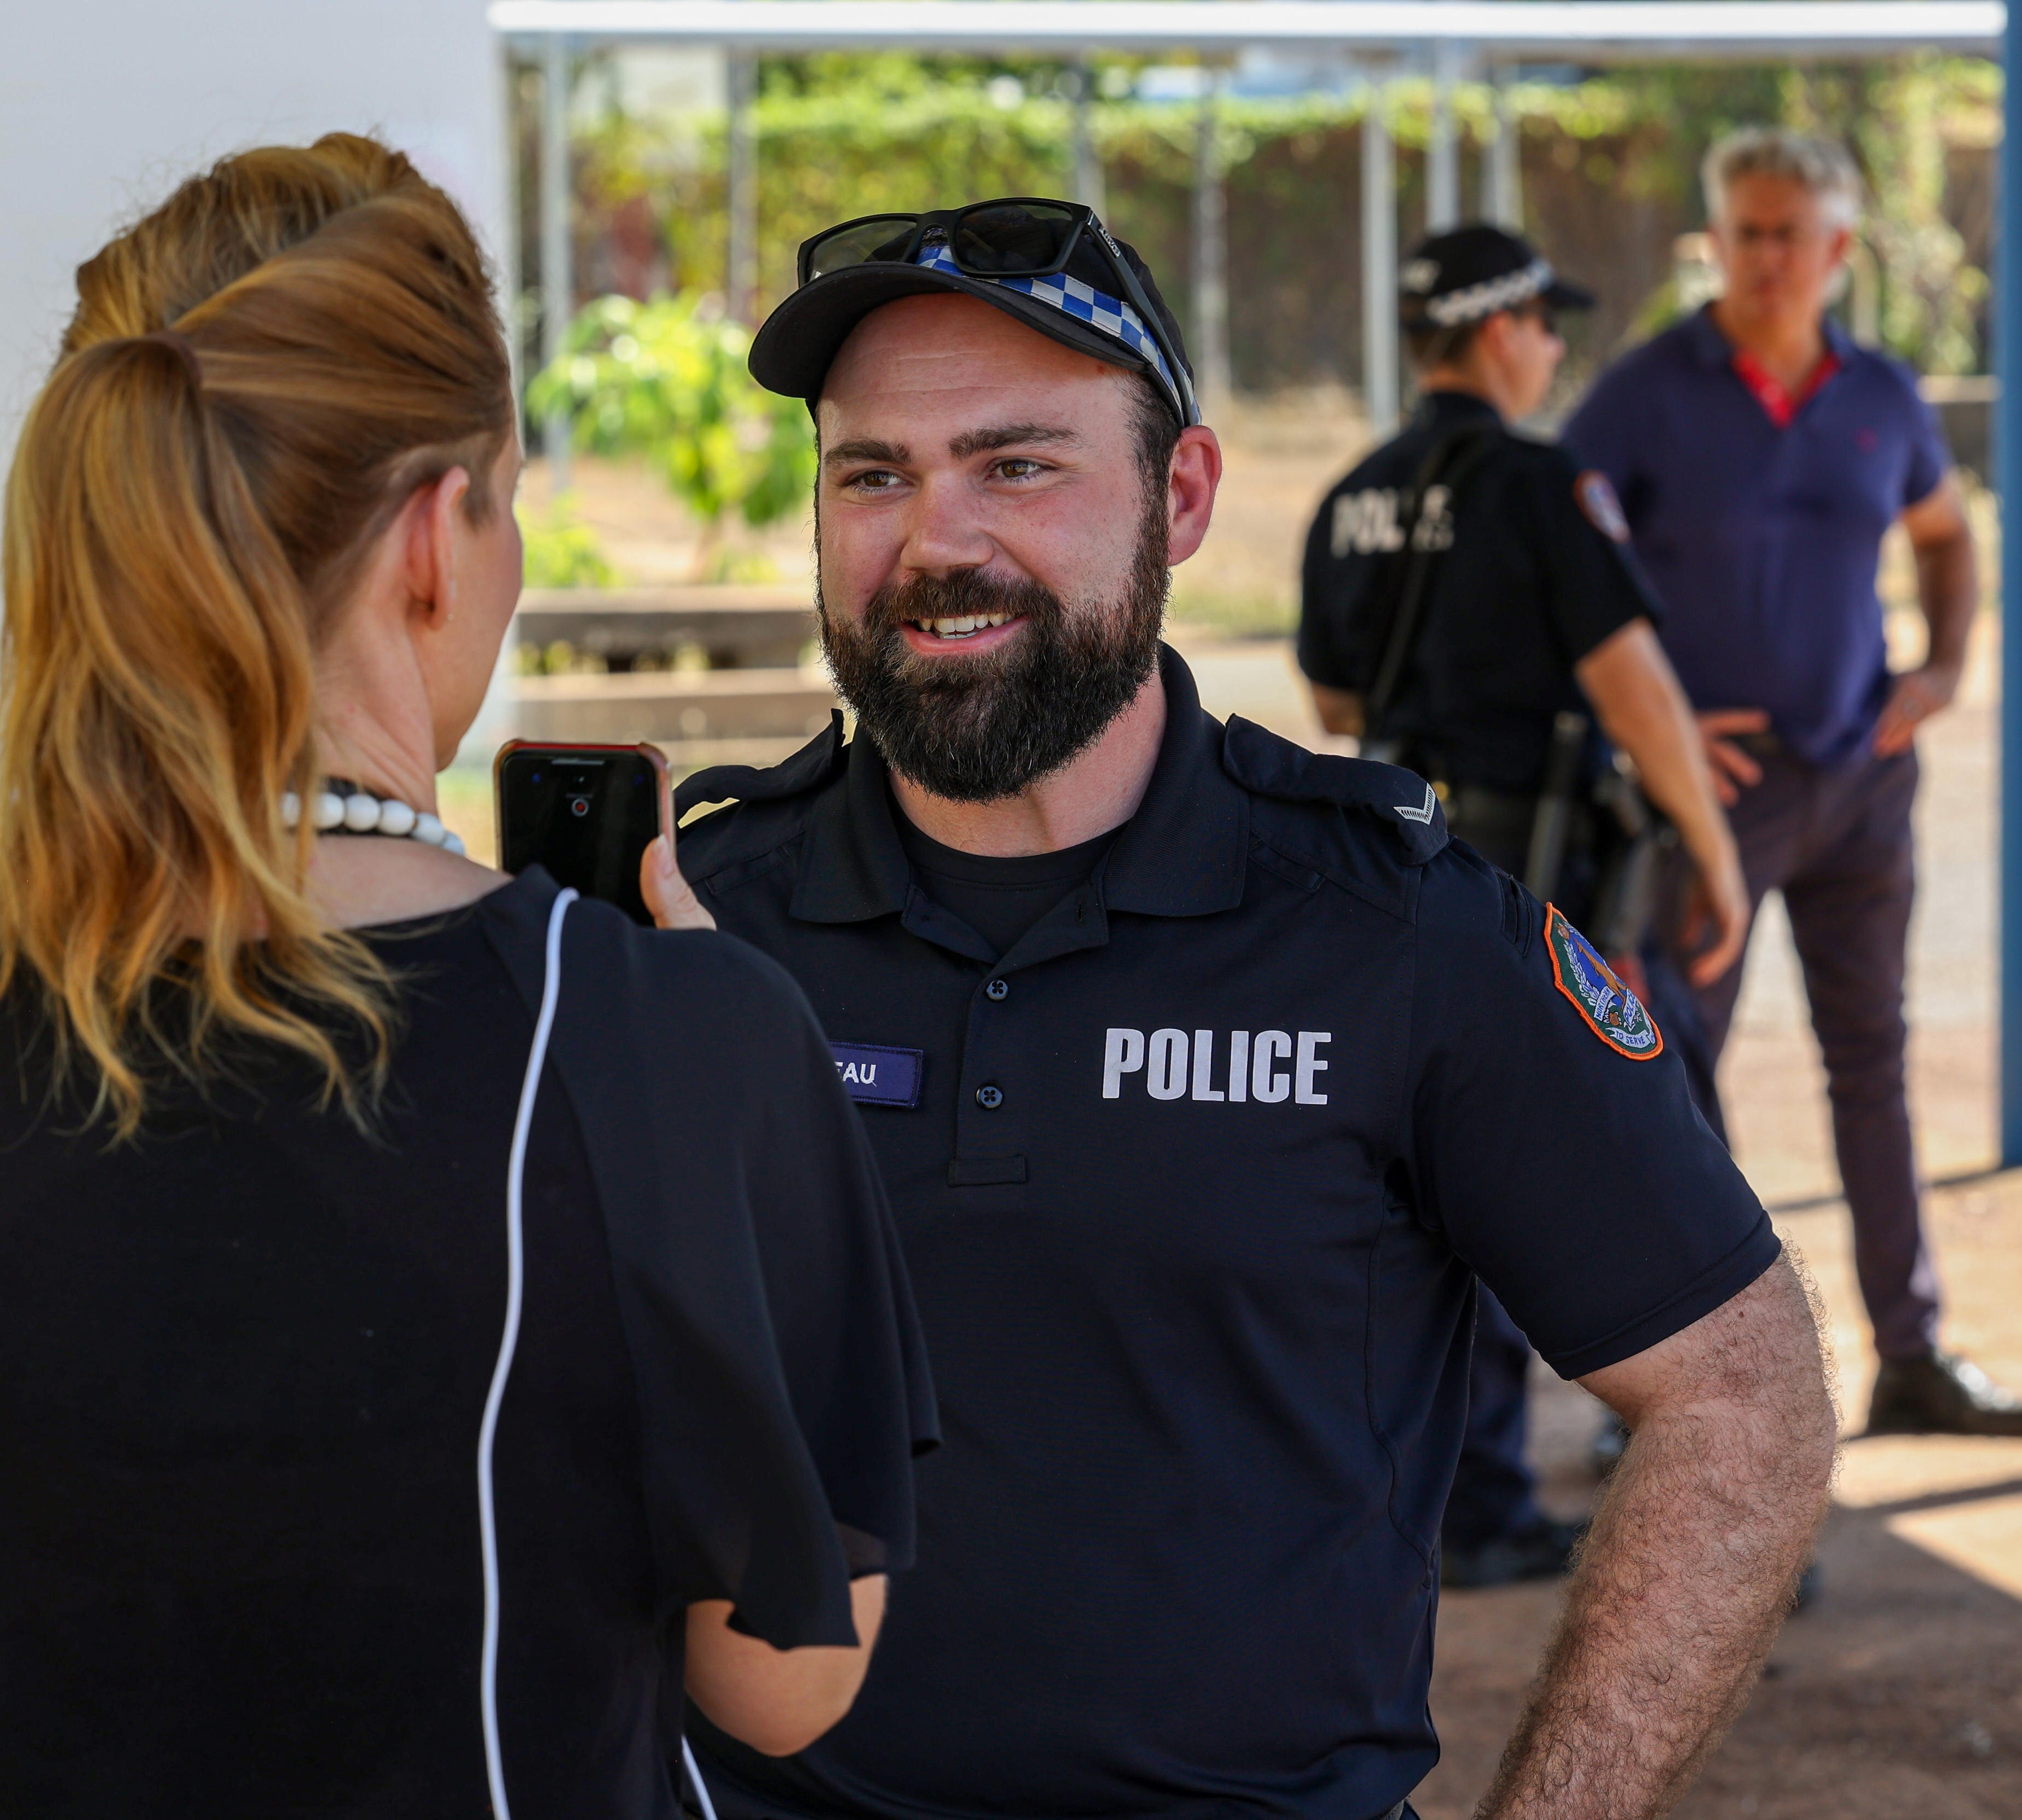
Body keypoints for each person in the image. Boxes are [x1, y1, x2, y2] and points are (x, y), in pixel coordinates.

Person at [0, 135, 935, 1818]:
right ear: (428, 540)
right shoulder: (677, 1035)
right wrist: (714, 1091)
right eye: (509, 499)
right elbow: (782, 1677)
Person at [669, 196, 1835, 1820]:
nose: (937, 540)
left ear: (1184, 493)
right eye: (874, 473)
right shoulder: (691, 925)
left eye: (1018, 464)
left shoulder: (1394, 932)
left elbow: (1741, 1383)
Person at [1564, 128, 2022, 1438]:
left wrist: (1945, 666)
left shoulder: (1881, 395)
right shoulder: (1645, 392)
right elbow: (1548, 563)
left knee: (1872, 1059)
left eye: (1792, 233)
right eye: (1746, 230)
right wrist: (1648, 724)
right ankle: (1672, 1382)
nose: (1767, 256)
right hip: (1709, 796)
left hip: (1862, 780)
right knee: (1668, 1076)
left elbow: (1947, 537)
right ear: (1713, 241)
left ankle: (1912, 1351)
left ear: (1840, 251)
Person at [1297, 223, 1755, 1589]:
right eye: (1543, 324)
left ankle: (1473, 1490)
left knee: (1430, 1181)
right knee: (1660, 1159)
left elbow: (1339, 709)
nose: (1552, 347)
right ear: (1499, 332)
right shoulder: (1543, 486)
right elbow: (1634, 688)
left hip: (1404, 882)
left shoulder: (1349, 499)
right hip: (1543, 890)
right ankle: (1702, 1462)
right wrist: (1711, 849)